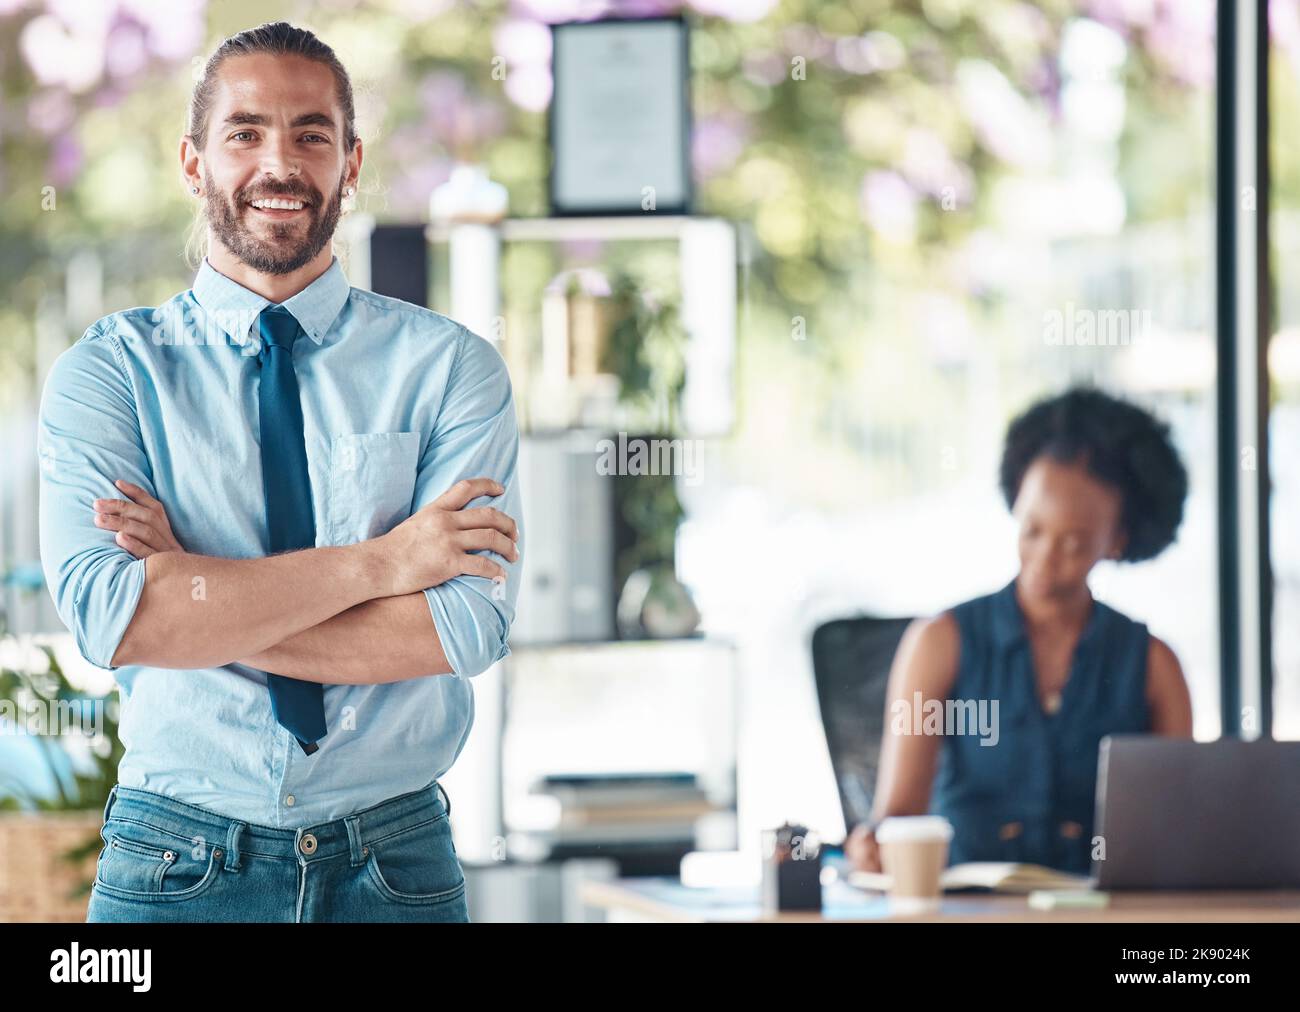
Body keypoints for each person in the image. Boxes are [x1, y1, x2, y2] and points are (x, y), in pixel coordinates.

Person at [36, 22, 522, 922]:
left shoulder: (452, 369)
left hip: (396, 869)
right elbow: (115, 619)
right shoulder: (108, 374)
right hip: (172, 867)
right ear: (192, 162)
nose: (281, 163)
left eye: (311, 134)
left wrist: (197, 594)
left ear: (351, 163)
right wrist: (386, 564)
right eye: (245, 132)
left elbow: (462, 630)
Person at [845, 387, 1193, 876]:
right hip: (967, 913)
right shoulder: (939, 643)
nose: (1044, 559)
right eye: (1032, 529)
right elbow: (897, 817)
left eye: (1073, 543)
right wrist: (874, 848)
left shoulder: (1155, 666)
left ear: (1117, 541)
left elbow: (1181, 834)